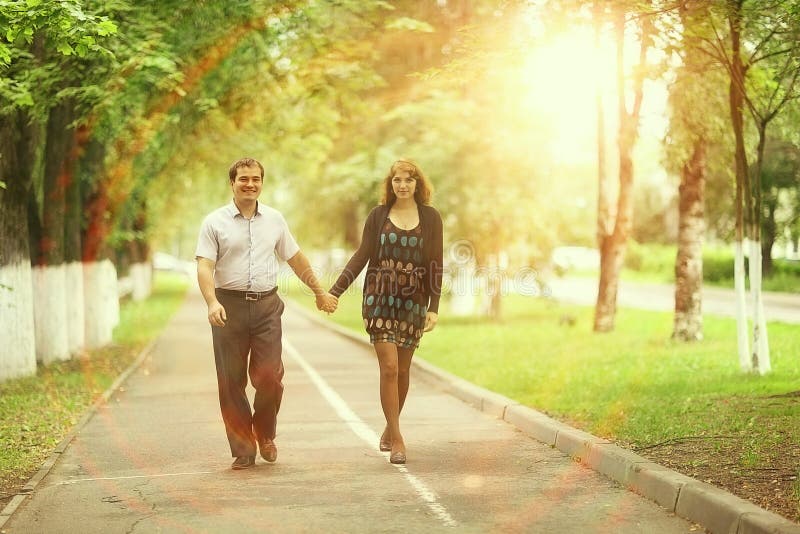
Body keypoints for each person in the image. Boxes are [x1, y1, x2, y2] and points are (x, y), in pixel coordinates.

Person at [196, 157, 337, 470]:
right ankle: (243, 449)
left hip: (266, 307)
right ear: (232, 183)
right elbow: (205, 265)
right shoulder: (214, 222)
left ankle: (265, 432)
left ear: (261, 182)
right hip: (228, 307)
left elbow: (295, 258)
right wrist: (211, 302)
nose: (250, 184)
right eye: (243, 179)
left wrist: (319, 292)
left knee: (270, 376)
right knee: (231, 381)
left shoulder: (275, 220)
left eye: (255, 179)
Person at [330, 159, 443, 464]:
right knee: (390, 368)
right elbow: (362, 255)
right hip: (379, 298)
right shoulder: (378, 215)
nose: (402, 185)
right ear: (390, 184)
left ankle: (389, 428)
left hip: (413, 302)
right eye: (397, 180)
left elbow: (436, 262)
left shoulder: (431, 218)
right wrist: (335, 291)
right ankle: (398, 439)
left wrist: (433, 307)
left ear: (417, 184)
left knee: (403, 370)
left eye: (408, 180)